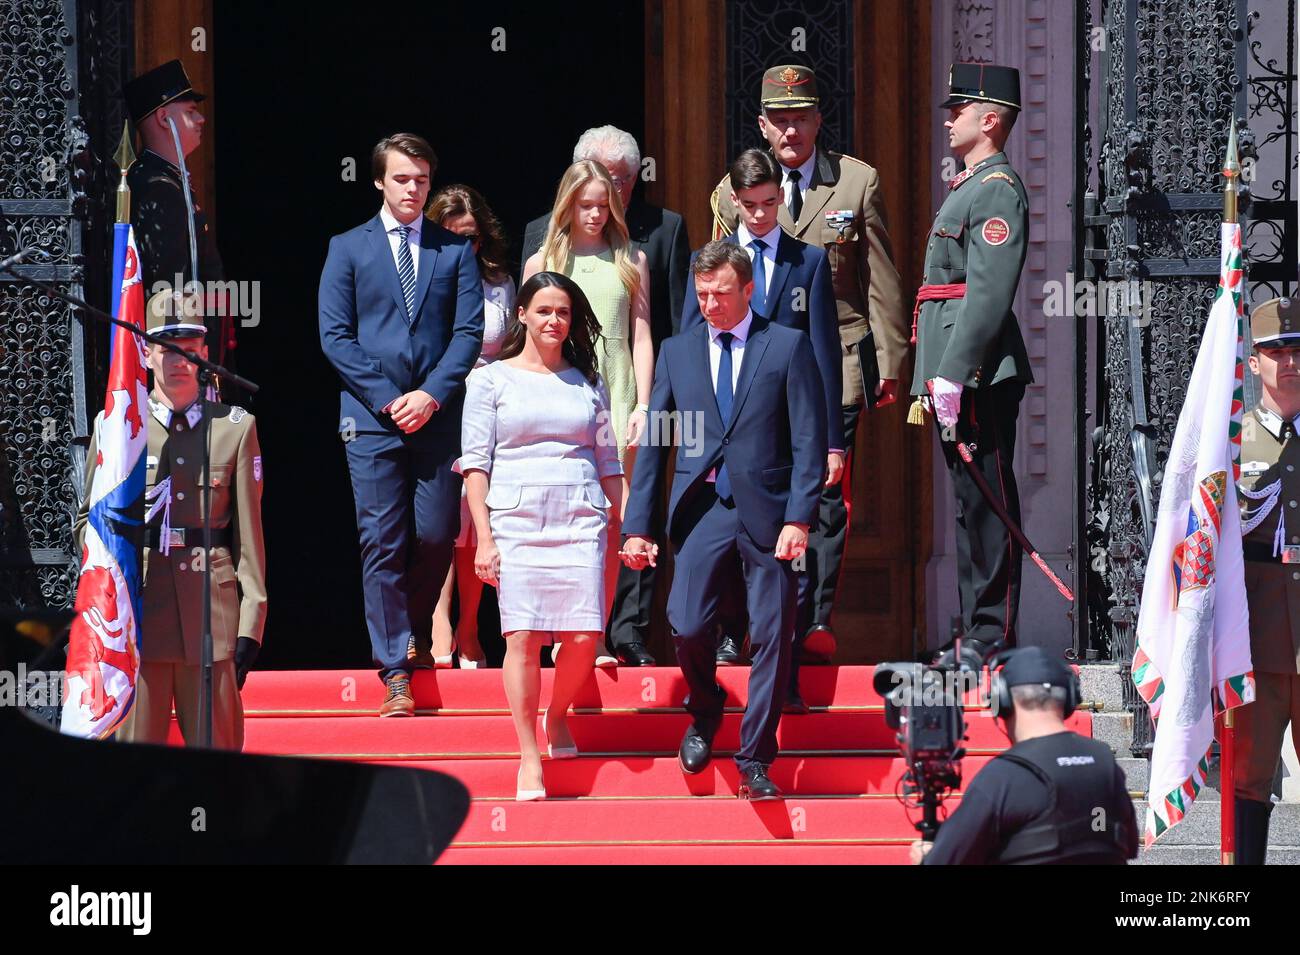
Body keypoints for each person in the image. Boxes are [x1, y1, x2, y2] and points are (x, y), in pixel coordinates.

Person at [710, 64, 908, 668]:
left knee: (824, 494)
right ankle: (740, 625)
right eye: (780, 119)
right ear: (763, 125)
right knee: (747, 489)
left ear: (819, 119)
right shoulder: (729, 192)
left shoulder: (854, 182)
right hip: (751, 368)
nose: (791, 131)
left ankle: (813, 621)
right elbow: (718, 283)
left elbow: (880, 277)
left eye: (802, 118)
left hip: (833, 358)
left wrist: (892, 359)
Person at [621, 242, 826, 800]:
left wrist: (800, 518)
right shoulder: (676, 352)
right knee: (687, 625)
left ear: (748, 290)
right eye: (702, 294)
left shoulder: (786, 345)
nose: (710, 304)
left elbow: (810, 441)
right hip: (703, 506)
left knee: (772, 634)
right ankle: (706, 709)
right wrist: (636, 526)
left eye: (721, 294)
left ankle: (756, 758)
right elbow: (657, 447)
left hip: (771, 511)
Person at [318, 133, 483, 717]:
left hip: (435, 420)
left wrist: (431, 397)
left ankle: (409, 625)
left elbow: (468, 333)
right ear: (379, 182)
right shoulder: (348, 248)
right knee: (381, 541)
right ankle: (395, 670)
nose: (413, 189)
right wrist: (392, 401)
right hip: (371, 419)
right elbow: (335, 337)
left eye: (421, 179)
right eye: (402, 178)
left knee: (437, 535)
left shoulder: (452, 251)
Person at [524, 127, 690, 670]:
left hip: (618, 392)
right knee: (565, 517)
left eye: (604, 205)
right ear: (569, 204)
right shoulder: (543, 258)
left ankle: (597, 632)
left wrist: (644, 405)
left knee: (620, 520)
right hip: (562, 392)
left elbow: (643, 335)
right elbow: (526, 342)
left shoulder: (632, 258)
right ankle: (566, 632)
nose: (596, 214)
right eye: (586, 205)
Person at [456, 272, 624, 800]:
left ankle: (558, 715)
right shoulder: (488, 381)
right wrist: (484, 538)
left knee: (581, 637)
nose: (555, 321)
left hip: (579, 517)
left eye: (564, 313)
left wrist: (629, 523)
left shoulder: (587, 382)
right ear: (522, 314)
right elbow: (476, 464)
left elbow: (608, 459)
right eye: (545, 310)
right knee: (522, 637)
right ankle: (530, 754)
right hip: (516, 519)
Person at [74, 292, 267, 749]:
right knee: (137, 773)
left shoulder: (234, 428)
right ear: (145, 352)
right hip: (139, 623)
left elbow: (249, 538)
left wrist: (250, 623)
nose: (179, 360)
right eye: (166, 348)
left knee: (216, 760)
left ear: (203, 353)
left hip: (211, 621)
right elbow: (87, 522)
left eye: (189, 348)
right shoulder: (118, 427)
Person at [684, 148, 841, 709]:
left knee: (788, 554)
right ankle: (730, 634)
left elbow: (824, 352)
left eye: (770, 203)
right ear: (732, 201)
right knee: (725, 535)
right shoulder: (708, 263)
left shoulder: (809, 262)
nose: (759, 215)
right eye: (748, 205)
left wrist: (831, 441)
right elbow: (688, 353)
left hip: (787, 426)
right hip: (728, 427)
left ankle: (787, 669)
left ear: (782, 198)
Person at [911, 64, 1034, 668]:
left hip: (977, 370)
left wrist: (956, 371)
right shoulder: (969, 185)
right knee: (967, 500)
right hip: (954, 367)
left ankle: (991, 633)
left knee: (987, 499)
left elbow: (987, 295)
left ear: (990, 119)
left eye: (958, 108)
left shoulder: (996, 190)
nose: (946, 116)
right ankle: (975, 630)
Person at [913, 647, 1138, 865]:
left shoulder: (1002, 778)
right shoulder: (1105, 763)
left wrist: (926, 857)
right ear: (1069, 700)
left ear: (1001, 701)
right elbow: (1128, 845)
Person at [425, 184, 516, 669]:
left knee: (478, 517)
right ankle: (439, 621)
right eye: (455, 237)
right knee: (443, 518)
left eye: (474, 239)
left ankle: (470, 627)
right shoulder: (420, 280)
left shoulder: (500, 280)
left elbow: (513, 346)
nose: (467, 248)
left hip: (493, 408)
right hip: (441, 404)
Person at [1234, 296, 1300, 864]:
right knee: (1248, 781)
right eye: (1274, 350)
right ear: (1253, 362)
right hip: (1256, 639)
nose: (1288, 360)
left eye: (1296, 349)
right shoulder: (1232, 442)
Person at [124, 60, 234, 378]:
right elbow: (167, 288)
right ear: (163, 117)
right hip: (182, 353)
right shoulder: (158, 188)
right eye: (189, 111)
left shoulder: (171, 180)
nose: (200, 118)